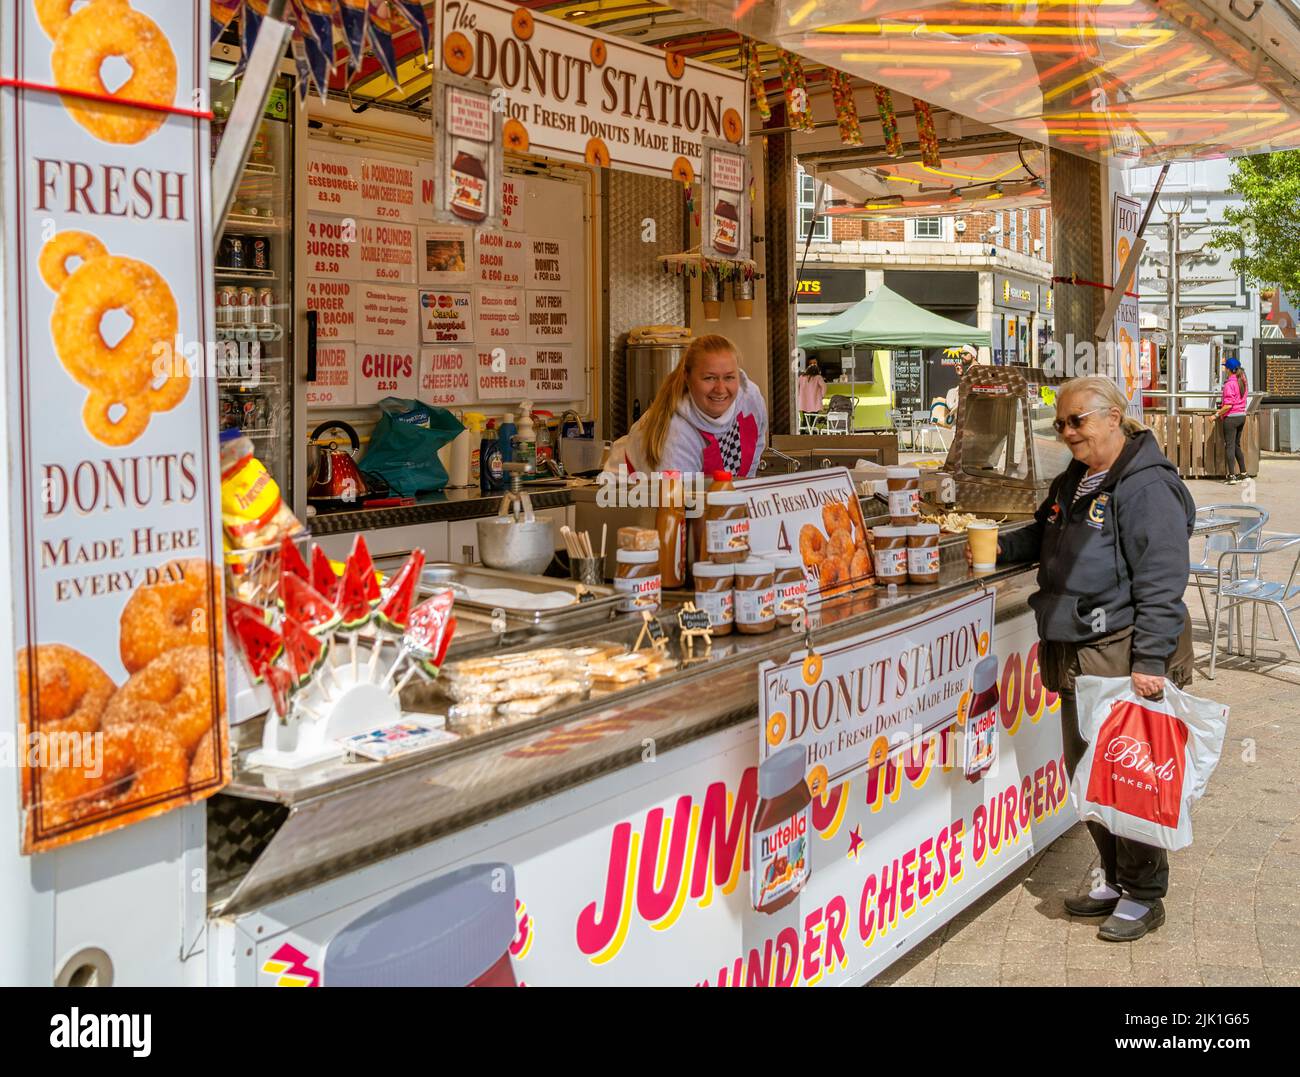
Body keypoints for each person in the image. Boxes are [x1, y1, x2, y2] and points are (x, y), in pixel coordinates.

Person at [978, 375, 1195, 942]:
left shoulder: (1145, 486)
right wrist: (994, 545)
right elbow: (1045, 534)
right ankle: (1118, 879)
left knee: (1130, 774)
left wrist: (1150, 659)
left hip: (1121, 651)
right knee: (1090, 773)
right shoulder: (1075, 480)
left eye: (1077, 420)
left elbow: (1163, 578)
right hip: (1075, 651)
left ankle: (1146, 894)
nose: (1067, 431)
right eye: (1061, 423)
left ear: (1114, 417)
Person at [608, 333, 768, 478]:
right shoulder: (675, 433)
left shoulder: (750, 398)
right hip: (627, 498)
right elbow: (682, 504)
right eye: (709, 378)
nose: (720, 389)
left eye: (729, 377)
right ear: (687, 377)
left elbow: (752, 459)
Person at [1215, 357, 1248, 484]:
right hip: (1241, 416)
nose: (1224, 369)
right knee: (1236, 445)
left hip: (1231, 418)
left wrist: (1216, 415)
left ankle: (1231, 476)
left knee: (1229, 446)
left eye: (1225, 367)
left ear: (1228, 369)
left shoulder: (1229, 384)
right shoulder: (1243, 382)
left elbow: (1228, 405)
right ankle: (1244, 473)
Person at [797, 360, 827, 433]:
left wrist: (799, 396)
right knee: (813, 418)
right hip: (815, 403)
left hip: (803, 402)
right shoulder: (818, 377)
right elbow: (824, 387)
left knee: (804, 418)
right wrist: (822, 396)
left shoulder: (801, 377)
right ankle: (811, 432)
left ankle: (802, 432)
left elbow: (796, 387)